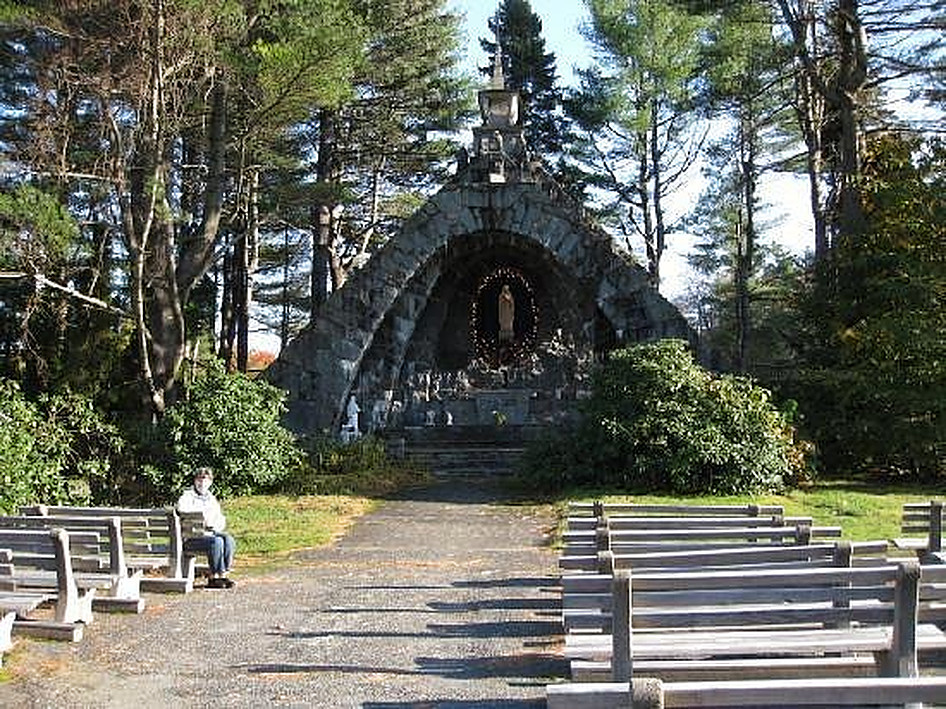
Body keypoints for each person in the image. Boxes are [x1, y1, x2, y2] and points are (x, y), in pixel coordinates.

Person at [177, 467, 236, 589]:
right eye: (200, 479)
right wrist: (200, 518)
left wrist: (214, 525)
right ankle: (213, 577)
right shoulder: (187, 496)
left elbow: (219, 518)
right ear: (195, 480)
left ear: (210, 482)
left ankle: (223, 574)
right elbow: (182, 510)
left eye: (206, 479)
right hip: (191, 538)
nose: (202, 483)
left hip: (209, 533)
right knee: (217, 542)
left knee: (228, 539)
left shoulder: (211, 498)